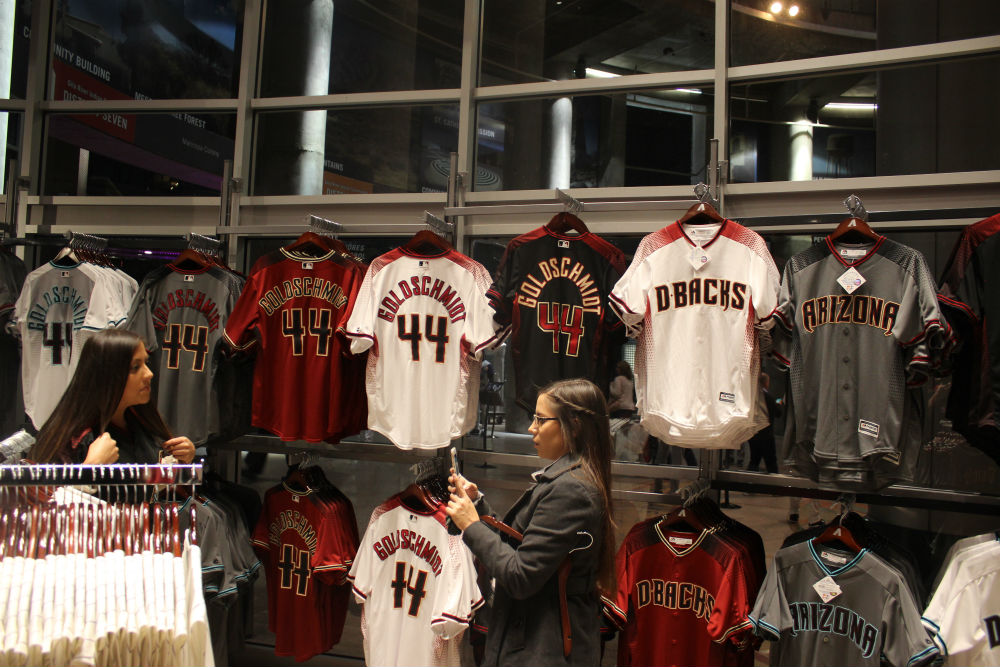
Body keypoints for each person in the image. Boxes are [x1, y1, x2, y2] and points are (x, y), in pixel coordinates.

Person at [446, 378, 615, 666]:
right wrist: (477, 506)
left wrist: (471, 525)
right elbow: (527, 544)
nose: (531, 428)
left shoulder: (571, 489)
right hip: (537, 637)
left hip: (544, 647)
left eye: (540, 419)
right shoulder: (568, 479)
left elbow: (520, 575)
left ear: (573, 425)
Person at [30, 328, 195, 466]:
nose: (149, 374)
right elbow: (51, 502)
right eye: (135, 367)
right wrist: (89, 468)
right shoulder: (75, 440)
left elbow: (150, 490)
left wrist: (181, 460)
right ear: (108, 375)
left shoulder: (141, 425)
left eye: (146, 363)